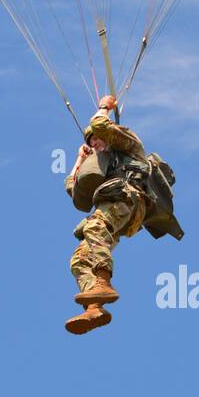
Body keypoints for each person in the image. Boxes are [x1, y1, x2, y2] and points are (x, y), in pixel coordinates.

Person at [63, 95, 169, 335]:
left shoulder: (130, 145)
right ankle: (94, 307)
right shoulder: (103, 164)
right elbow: (72, 188)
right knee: (79, 259)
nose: (96, 142)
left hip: (129, 200)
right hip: (113, 209)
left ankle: (103, 282)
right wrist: (81, 158)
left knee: (94, 227)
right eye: (92, 141)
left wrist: (104, 107)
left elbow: (101, 125)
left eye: (99, 138)